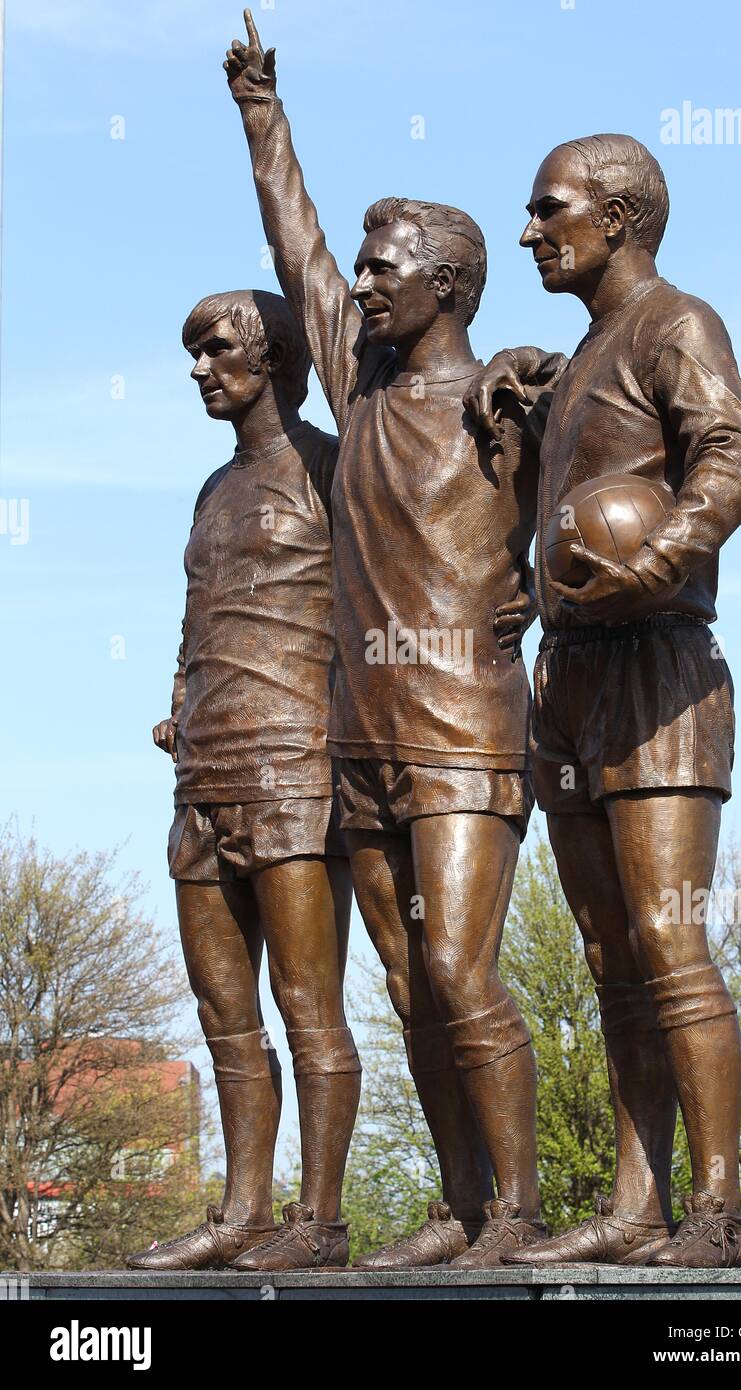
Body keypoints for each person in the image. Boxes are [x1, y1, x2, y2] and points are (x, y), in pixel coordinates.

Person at [224, 9, 545, 1269]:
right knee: (411, 984)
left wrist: (545, 595)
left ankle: (518, 1211)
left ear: (448, 286)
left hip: (465, 726)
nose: (357, 283)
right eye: (358, 267)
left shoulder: (506, 397)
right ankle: (464, 1204)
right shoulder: (358, 388)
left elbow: (599, 503)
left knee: (463, 971)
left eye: (384, 267)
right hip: (359, 730)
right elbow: (290, 230)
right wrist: (262, 112)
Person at [465, 134, 741, 1269]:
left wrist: (663, 555)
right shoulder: (590, 349)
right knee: (607, 951)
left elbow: (734, 458)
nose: (530, 231)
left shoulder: (676, 321)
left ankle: (718, 1212)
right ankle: (636, 1205)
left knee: (669, 941)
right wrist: (520, 382)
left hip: (660, 669)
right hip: (574, 678)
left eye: (549, 211)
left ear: (622, 217)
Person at [127, 289, 361, 1273]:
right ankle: (244, 1212)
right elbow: (201, 615)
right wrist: (179, 698)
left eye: (216, 349)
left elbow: (386, 598)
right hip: (203, 776)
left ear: (272, 358)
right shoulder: (212, 489)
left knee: (311, 1005)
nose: (198, 368)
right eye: (193, 352)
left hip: (298, 773)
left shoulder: (334, 467)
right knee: (224, 1012)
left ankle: (320, 1218)